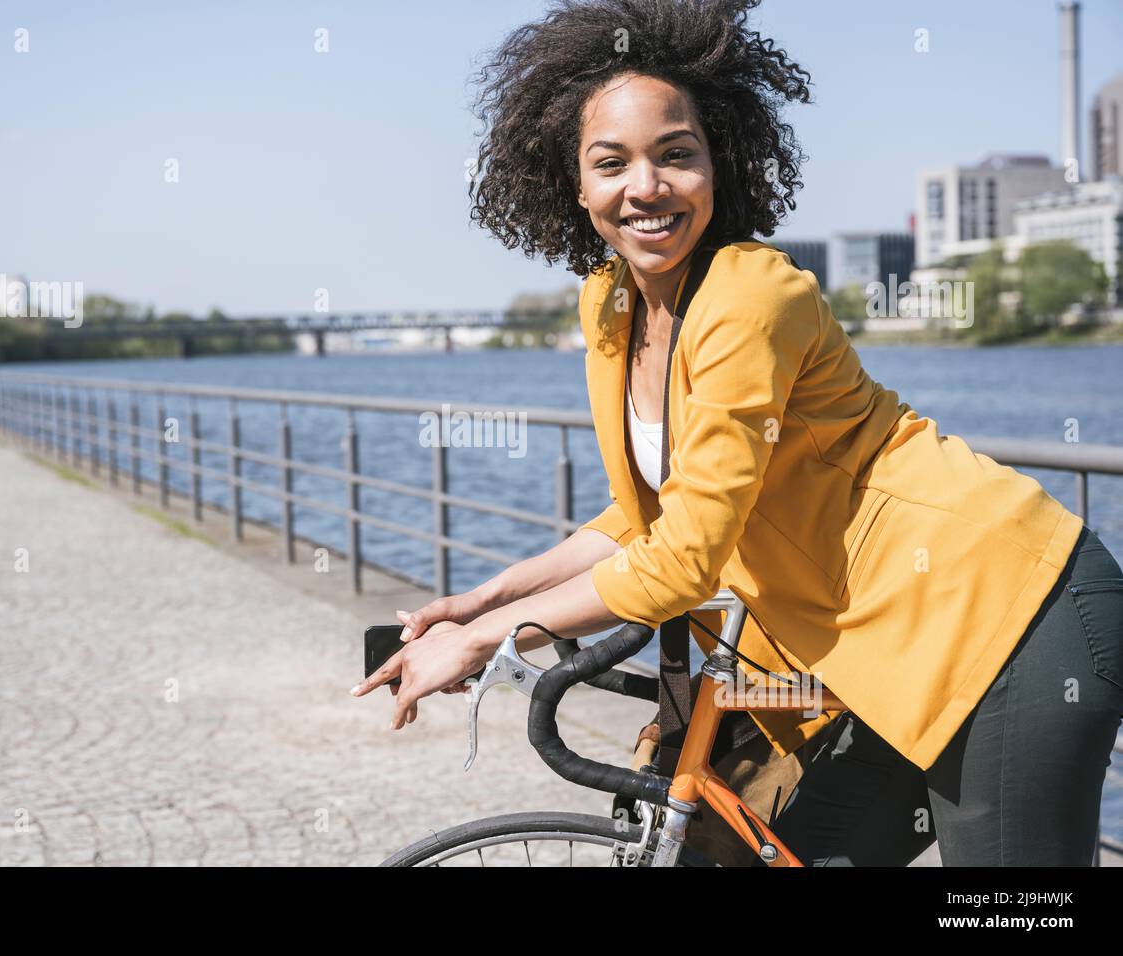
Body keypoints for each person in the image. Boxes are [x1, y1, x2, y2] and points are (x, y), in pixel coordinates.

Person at [351, 0, 1123, 865]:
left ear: (719, 164)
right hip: (878, 654)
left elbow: (686, 559)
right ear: (575, 183)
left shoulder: (752, 298)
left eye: (675, 154)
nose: (646, 186)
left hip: (1012, 617)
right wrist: (482, 602)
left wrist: (491, 640)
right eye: (613, 163)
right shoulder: (609, 305)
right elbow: (640, 521)